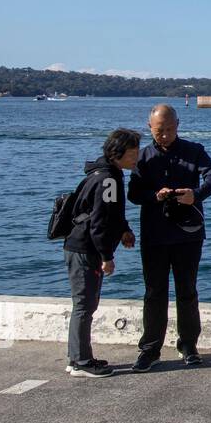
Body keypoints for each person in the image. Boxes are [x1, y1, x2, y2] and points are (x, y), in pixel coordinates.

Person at [127, 103, 211, 371]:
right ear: (150, 128)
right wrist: (154, 196)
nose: (165, 135)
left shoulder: (194, 150)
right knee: (154, 293)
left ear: (178, 125)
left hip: (189, 235)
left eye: (169, 129)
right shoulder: (143, 158)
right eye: (159, 131)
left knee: (187, 291)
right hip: (154, 236)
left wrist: (197, 194)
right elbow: (133, 194)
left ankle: (189, 344)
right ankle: (150, 348)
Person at [63, 128, 140, 377]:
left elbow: (112, 215)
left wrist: (124, 230)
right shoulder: (108, 179)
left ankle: (78, 358)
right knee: (85, 305)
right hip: (86, 250)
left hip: (80, 247)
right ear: (116, 153)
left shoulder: (106, 174)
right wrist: (107, 257)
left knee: (85, 305)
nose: (136, 158)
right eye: (132, 153)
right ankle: (81, 362)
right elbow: (99, 223)